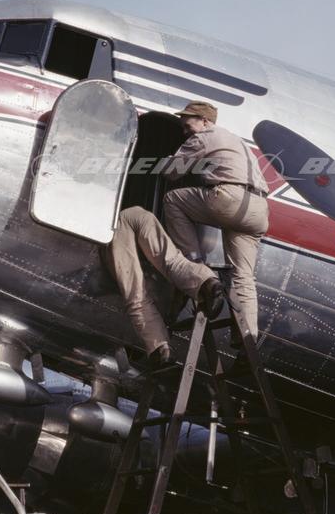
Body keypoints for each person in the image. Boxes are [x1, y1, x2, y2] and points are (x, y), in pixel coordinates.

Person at [162, 101, 269, 339]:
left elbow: (172, 172)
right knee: (243, 276)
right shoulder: (237, 141)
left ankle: (195, 266)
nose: (185, 132)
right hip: (258, 210)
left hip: (230, 199)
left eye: (188, 125)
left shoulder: (204, 136)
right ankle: (247, 340)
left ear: (205, 121)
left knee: (173, 200)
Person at [104, 206, 225, 366]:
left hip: (124, 222)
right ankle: (208, 283)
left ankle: (161, 349)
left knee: (135, 294)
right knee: (173, 263)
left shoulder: (124, 217)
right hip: (140, 220)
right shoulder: (142, 214)